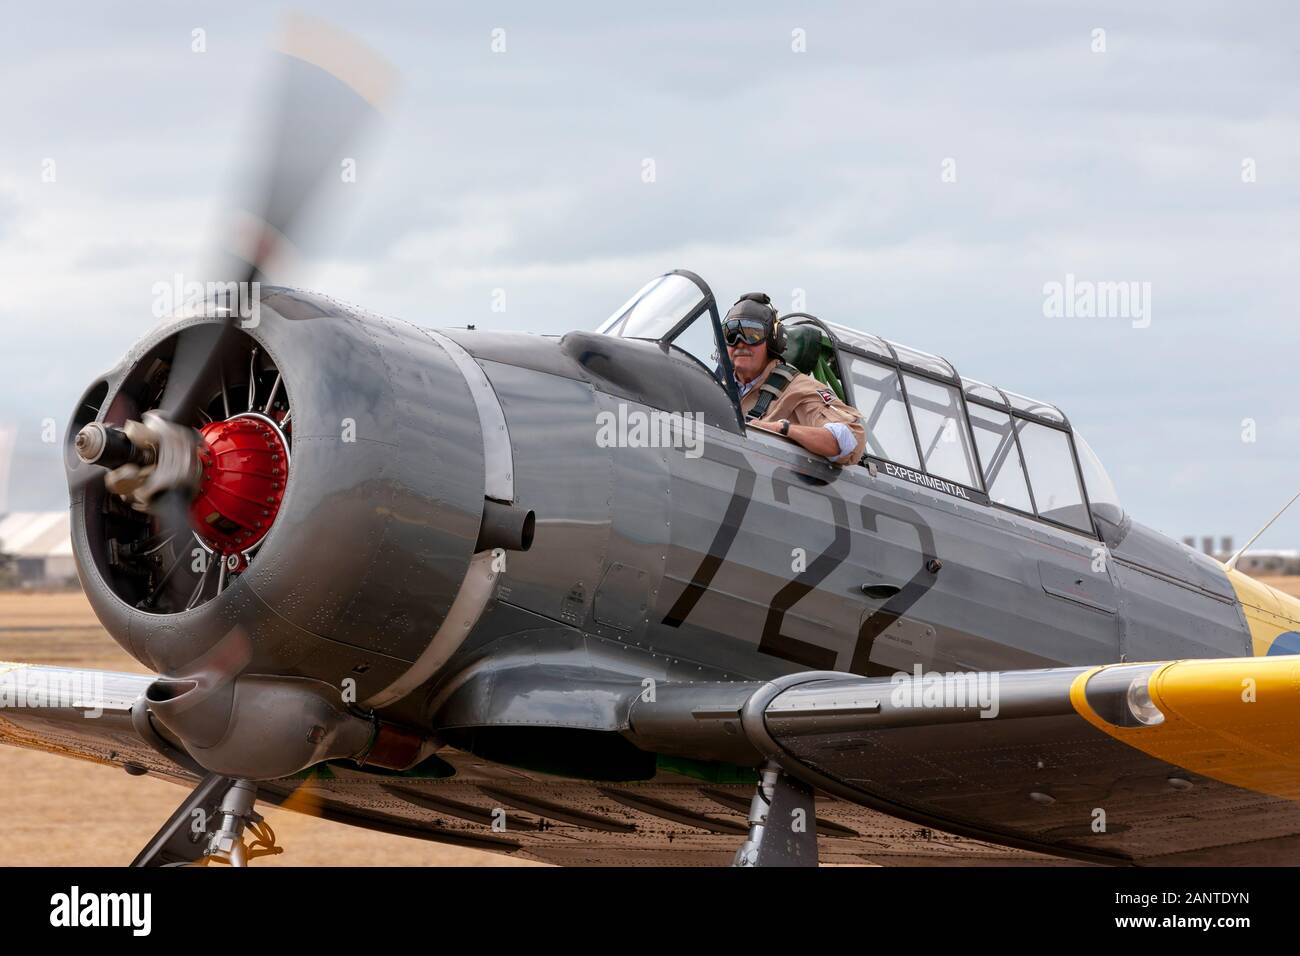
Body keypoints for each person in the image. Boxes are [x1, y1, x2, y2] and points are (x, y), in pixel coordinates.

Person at [723, 292, 866, 465]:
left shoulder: (798, 389)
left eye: (752, 333)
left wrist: (781, 429)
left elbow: (850, 438)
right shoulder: (715, 389)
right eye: (731, 333)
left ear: (772, 339)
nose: (739, 342)